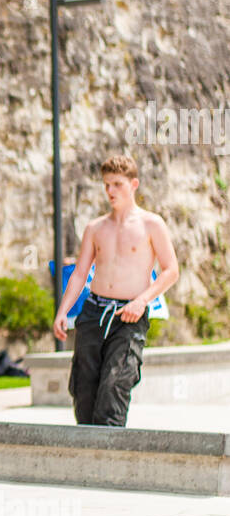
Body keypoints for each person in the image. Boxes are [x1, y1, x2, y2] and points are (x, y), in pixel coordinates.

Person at [52, 155, 178, 426]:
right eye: (106, 184)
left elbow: (171, 270)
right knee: (84, 391)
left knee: (114, 387)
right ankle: (86, 458)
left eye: (117, 184)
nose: (110, 191)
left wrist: (142, 301)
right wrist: (63, 311)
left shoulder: (152, 224)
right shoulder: (96, 228)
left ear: (134, 184)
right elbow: (79, 274)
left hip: (129, 317)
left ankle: (109, 460)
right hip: (93, 312)